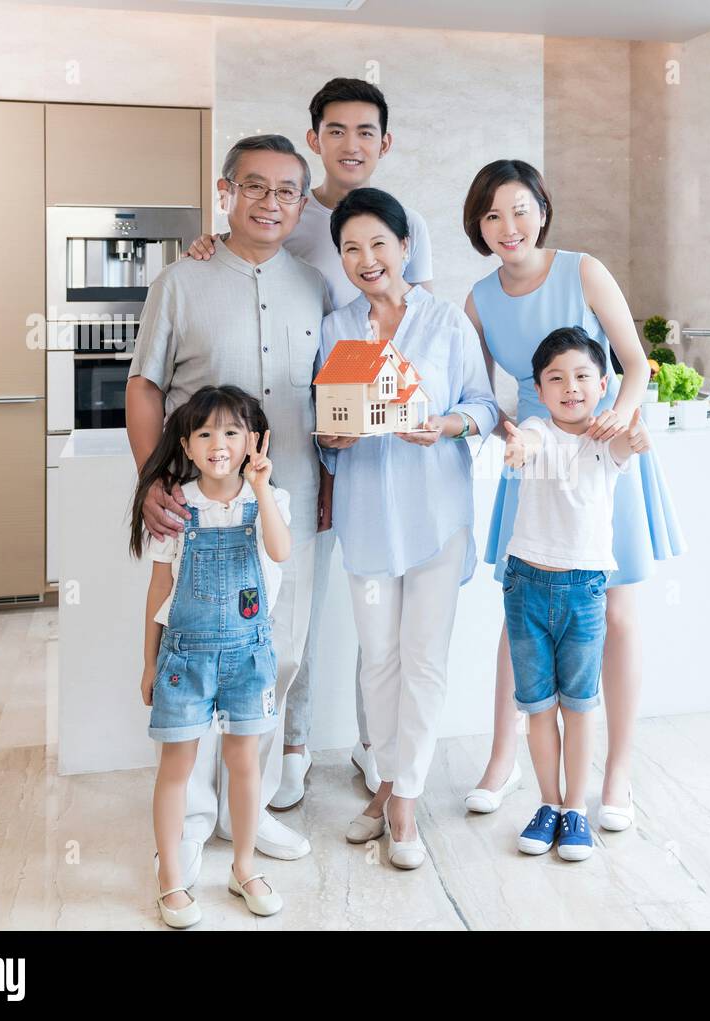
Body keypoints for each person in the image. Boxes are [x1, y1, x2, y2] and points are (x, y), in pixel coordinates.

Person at [186, 78, 433, 805]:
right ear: (315, 136)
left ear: (384, 142)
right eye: (336, 130)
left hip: (368, 448)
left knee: (363, 619)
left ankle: (373, 748)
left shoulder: (406, 219)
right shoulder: (285, 216)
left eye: (366, 132)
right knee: (297, 611)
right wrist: (206, 241)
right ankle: (290, 746)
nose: (351, 145)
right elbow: (238, 253)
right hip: (291, 447)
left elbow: (414, 333)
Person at [126, 134, 328, 887]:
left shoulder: (315, 284)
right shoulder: (182, 278)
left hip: (287, 503)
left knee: (275, 655)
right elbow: (146, 387)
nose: (270, 202)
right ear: (225, 190)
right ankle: (188, 824)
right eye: (255, 186)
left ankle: (252, 810)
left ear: (301, 204)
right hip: (200, 509)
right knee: (192, 649)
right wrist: (152, 480)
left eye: (285, 191)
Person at [461, 159, 686, 829]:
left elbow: (637, 361)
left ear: (543, 208)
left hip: (604, 448)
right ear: (479, 225)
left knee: (615, 613)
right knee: (519, 609)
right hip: (532, 455)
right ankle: (503, 759)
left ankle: (616, 775)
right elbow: (478, 392)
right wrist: (500, 427)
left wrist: (622, 412)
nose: (509, 226)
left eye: (520, 208)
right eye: (493, 214)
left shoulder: (583, 269)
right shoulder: (478, 298)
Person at [316, 188, 497, 869]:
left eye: (378, 244)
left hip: (436, 517)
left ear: (405, 247)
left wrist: (446, 424)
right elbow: (329, 436)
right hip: (367, 517)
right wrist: (332, 436)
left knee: (424, 659)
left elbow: (483, 406)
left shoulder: (447, 322)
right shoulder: (337, 330)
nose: (367, 259)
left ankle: (404, 800)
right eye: (351, 249)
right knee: (379, 661)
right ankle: (386, 778)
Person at [131, 386, 291, 927]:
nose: (218, 443)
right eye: (204, 433)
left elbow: (280, 550)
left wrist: (261, 488)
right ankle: (170, 877)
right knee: (176, 767)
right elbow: (158, 592)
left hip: (249, 657)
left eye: (231, 431)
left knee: (244, 763)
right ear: (186, 444)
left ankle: (244, 866)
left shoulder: (269, 498)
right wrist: (149, 662)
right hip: (185, 659)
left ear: (253, 439)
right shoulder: (178, 505)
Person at [502, 328, 650, 861]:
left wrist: (634, 434)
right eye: (556, 378)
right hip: (525, 585)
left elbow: (623, 445)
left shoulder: (606, 439)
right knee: (538, 705)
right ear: (539, 391)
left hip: (585, 588)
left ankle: (577, 810)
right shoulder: (539, 428)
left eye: (583, 376)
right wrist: (518, 446)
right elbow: (531, 441)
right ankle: (548, 804)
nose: (571, 387)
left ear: (604, 384)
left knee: (581, 705)